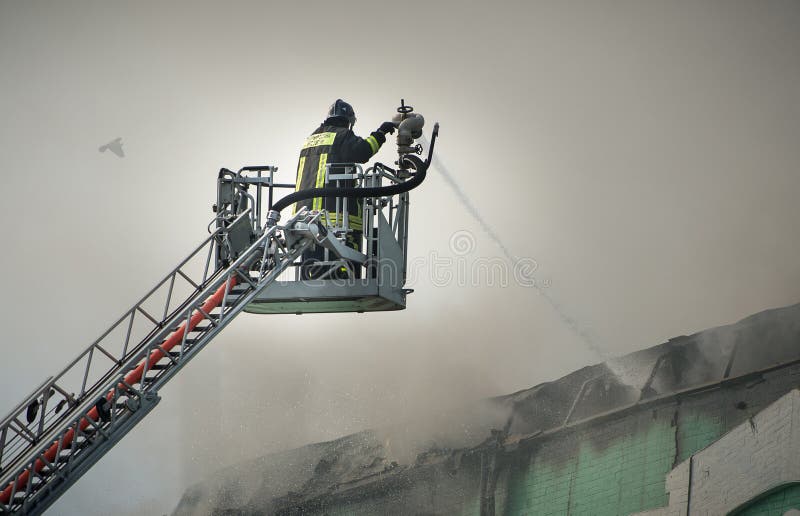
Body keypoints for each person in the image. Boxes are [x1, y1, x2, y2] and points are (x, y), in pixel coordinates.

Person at [294, 99, 395, 279]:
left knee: (312, 270)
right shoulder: (342, 136)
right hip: (336, 219)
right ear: (349, 121)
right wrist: (380, 133)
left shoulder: (310, 139)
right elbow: (363, 151)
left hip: (304, 218)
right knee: (343, 272)